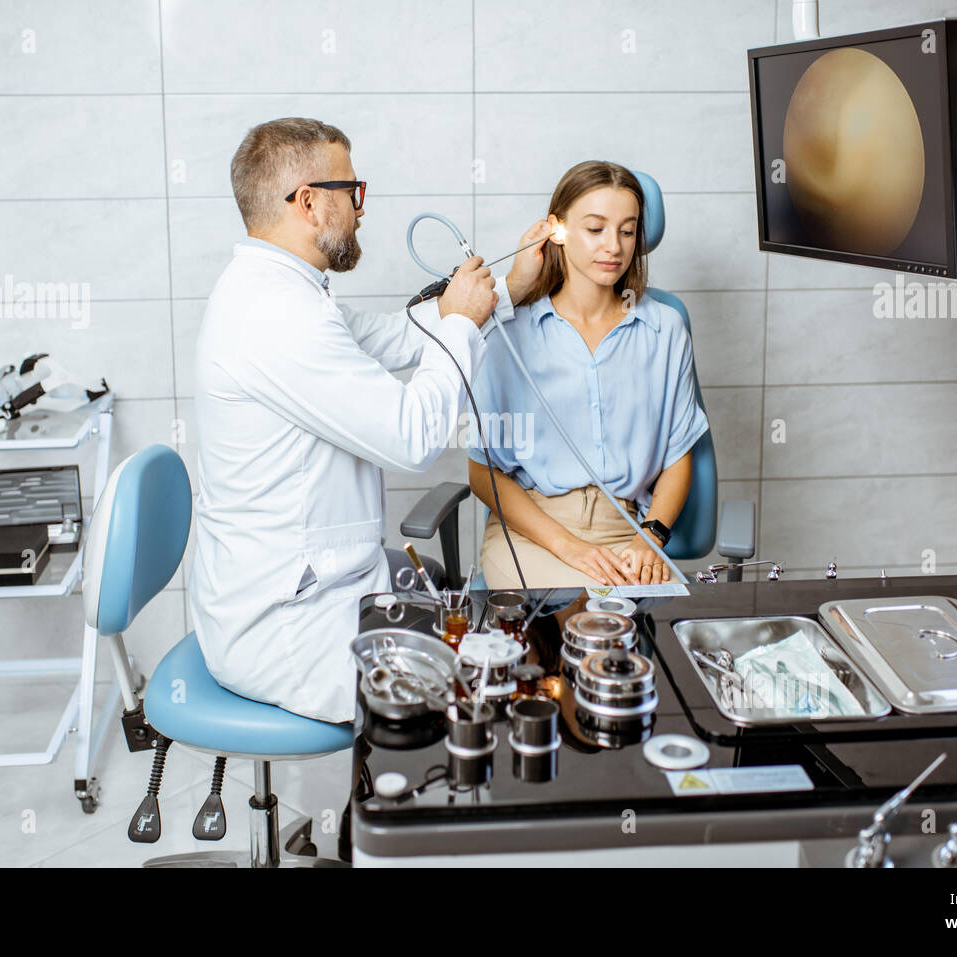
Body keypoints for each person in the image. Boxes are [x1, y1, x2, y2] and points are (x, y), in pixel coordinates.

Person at [188, 117, 546, 723]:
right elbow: (413, 439)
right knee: (479, 689)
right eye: (352, 193)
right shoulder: (275, 316)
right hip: (288, 632)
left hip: (302, 587)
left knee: (461, 629)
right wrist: (459, 322)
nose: (361, 209)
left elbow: (389, 336)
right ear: (308, 202)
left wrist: (503, 292)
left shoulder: (284, 292)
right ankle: (389, 814)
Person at [467, 161, 708, 589]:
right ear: (555, 230)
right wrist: (568, 547)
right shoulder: (510, 331)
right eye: (595, 228)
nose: (613, 246)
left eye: (627, 230)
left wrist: (650, 537)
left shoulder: (665, 329)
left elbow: (678, 455)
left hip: (629, 532)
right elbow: (483, 471)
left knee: (660, 637)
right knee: (579, 618)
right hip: (536, 535)